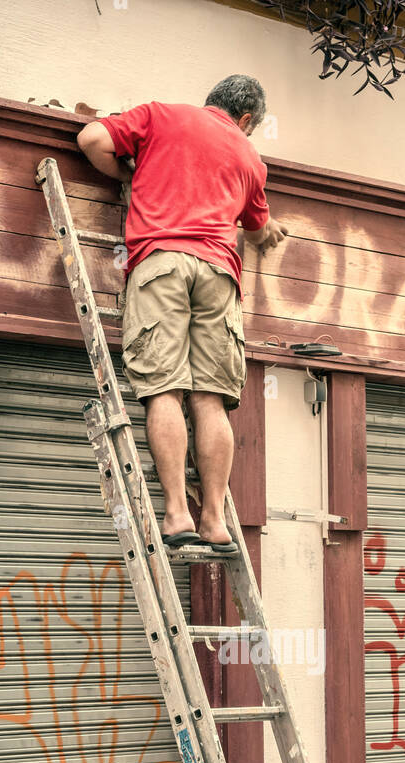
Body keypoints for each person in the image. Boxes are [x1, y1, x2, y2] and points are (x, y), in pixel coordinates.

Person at [77, 75, 287, 553]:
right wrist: (271, 230)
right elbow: (256, 230)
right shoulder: (250, 157)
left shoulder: (162, 115)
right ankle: (214, 520)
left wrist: (130, 174)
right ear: (247, 119)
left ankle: (176, 515)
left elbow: (90, 139)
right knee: (211, 401)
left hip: (161, 262)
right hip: (218, 273)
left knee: (164, 390)